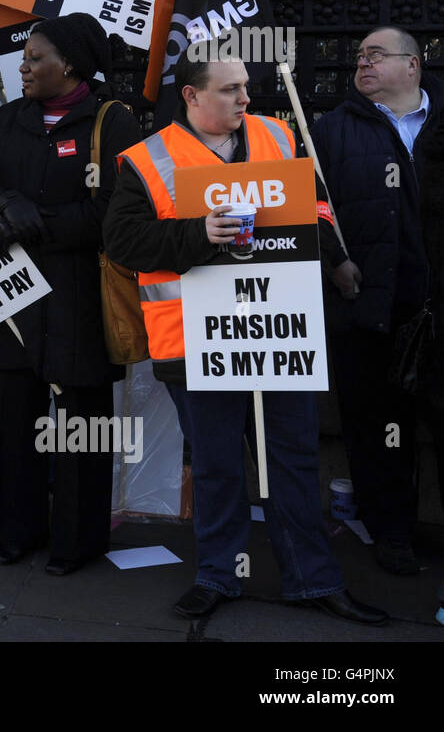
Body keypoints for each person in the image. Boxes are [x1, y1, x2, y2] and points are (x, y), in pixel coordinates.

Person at [103, 54, 386, 624]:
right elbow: (124, 241)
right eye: (230, 90)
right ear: (190, 96)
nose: (245, 100)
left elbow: (318, 202)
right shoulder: (145, 159)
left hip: (278, 332)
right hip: (194, 344)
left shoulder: (277, 135)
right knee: (216, 465)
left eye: (247, 90)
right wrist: (197, 234)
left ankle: (313, 579)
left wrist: (336, 258)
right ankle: (218, 576)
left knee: (294, 459)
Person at [0, 13, 142, 574]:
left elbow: (115, 213)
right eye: (25, 57)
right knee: (16, 421)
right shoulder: (10, 118)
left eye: (36, 57)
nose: (23, 66)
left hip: (80, 298)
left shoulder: (112, 122)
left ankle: (77, 541)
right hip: (13, 297)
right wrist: (5, 204)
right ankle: (16, 531)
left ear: (68, 65)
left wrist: (37, 220)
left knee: (79, 425)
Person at [311, 26, 444, 576]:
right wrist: (334, 260)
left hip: (435, 310)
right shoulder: (333, 130)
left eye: (377, 55)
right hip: (366, 306)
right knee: (375, 426)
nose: (362, 64)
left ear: (412, 66)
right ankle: (390, 533)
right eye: (359, 57)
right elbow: (307, 204)